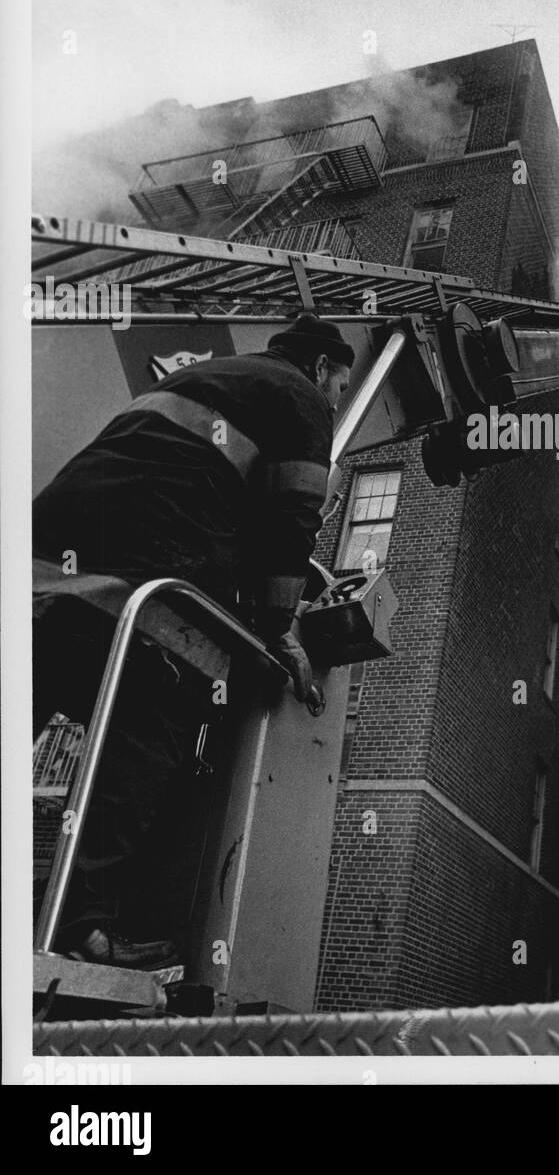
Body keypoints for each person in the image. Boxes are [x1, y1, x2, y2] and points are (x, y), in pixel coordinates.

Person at [32, 313, 354, 968]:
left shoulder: (201, 375)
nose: (338, 401)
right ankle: (75, 922)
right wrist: (273, 631)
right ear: (320, 368)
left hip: (49, 559)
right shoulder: (300, 399)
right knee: (148, 730)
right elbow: (292, 518)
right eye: (340, 386)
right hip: (143, 571)